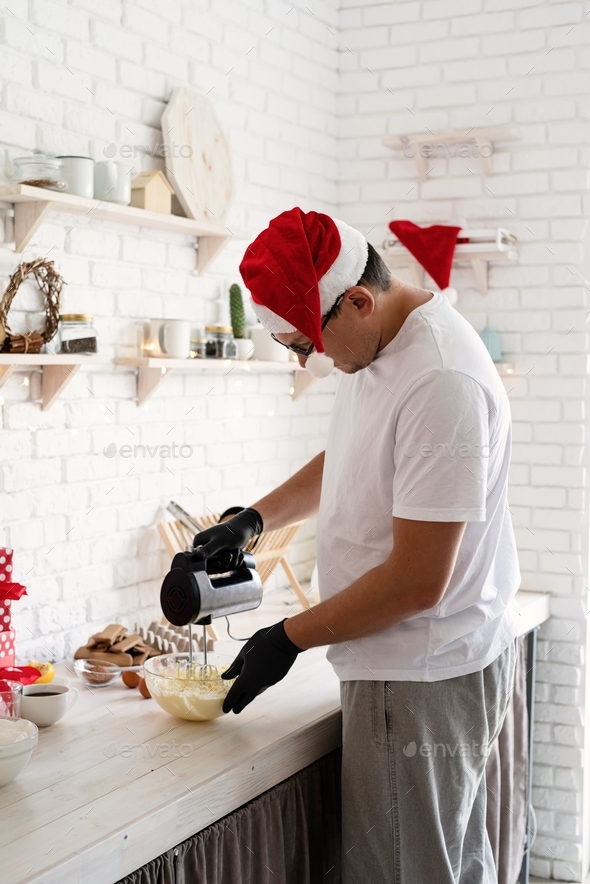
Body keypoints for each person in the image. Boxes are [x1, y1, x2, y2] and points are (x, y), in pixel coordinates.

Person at [192, 207, 520, 884]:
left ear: (358, 300)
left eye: (305, 342)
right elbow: (348, 456)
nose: (309, 359)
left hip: (420, 673)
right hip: (405, 663)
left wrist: (287, 636)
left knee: (406, 872)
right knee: (442, 865)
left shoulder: (439, 380)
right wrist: (254, 521)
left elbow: (416, 581)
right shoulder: (385, 347)